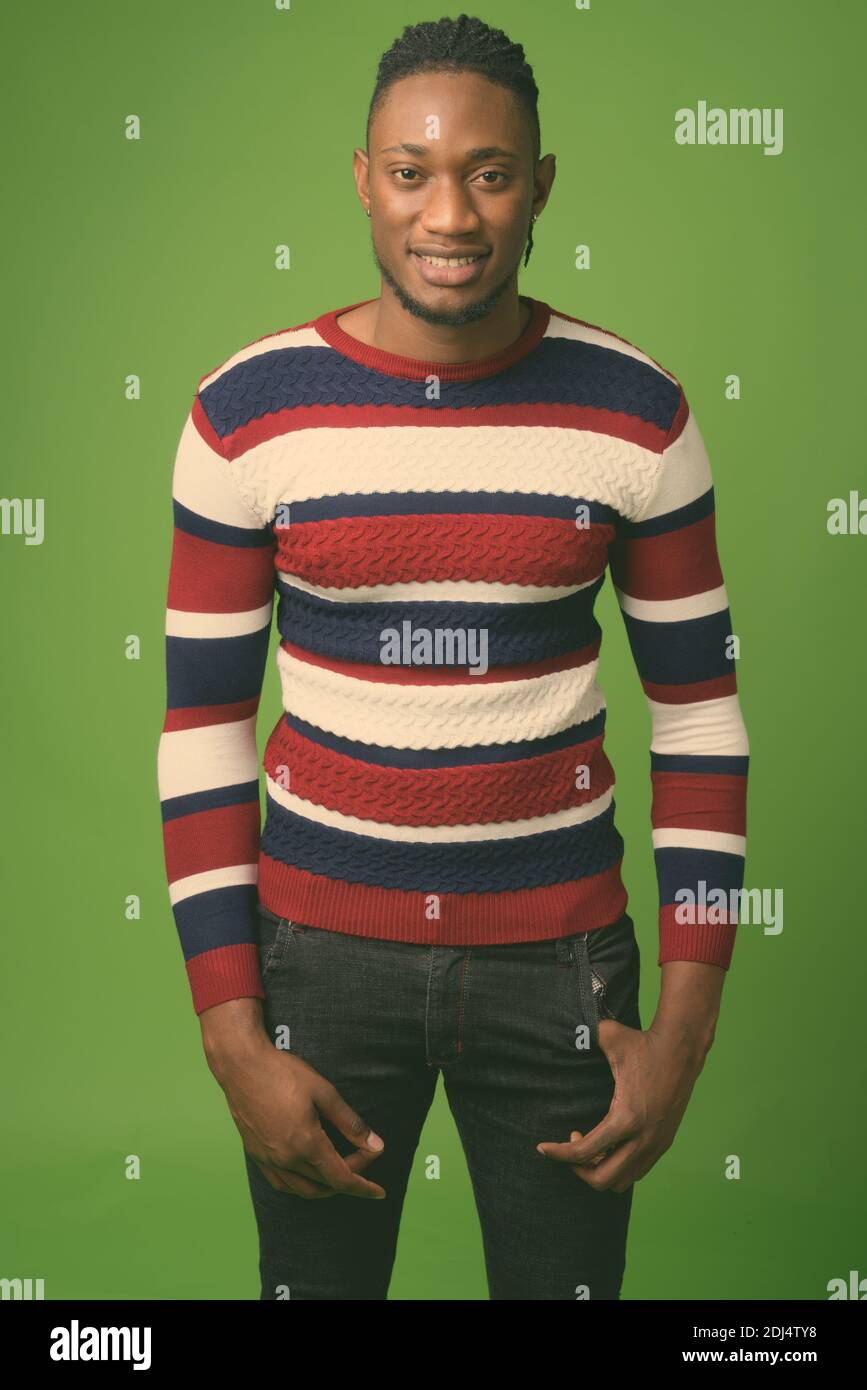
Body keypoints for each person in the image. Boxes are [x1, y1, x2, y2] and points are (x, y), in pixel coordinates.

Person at [157, 14, 749, 1300]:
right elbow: (202, 729)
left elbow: (700, 718)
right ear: (362, 178)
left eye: (489, 172)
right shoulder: (244, 415)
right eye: (412, 170)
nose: (452, 213)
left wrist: (686, 1033)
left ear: (539, 186)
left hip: (562, 977)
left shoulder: (639, 412)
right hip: (317, 956)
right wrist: (230, 1035)